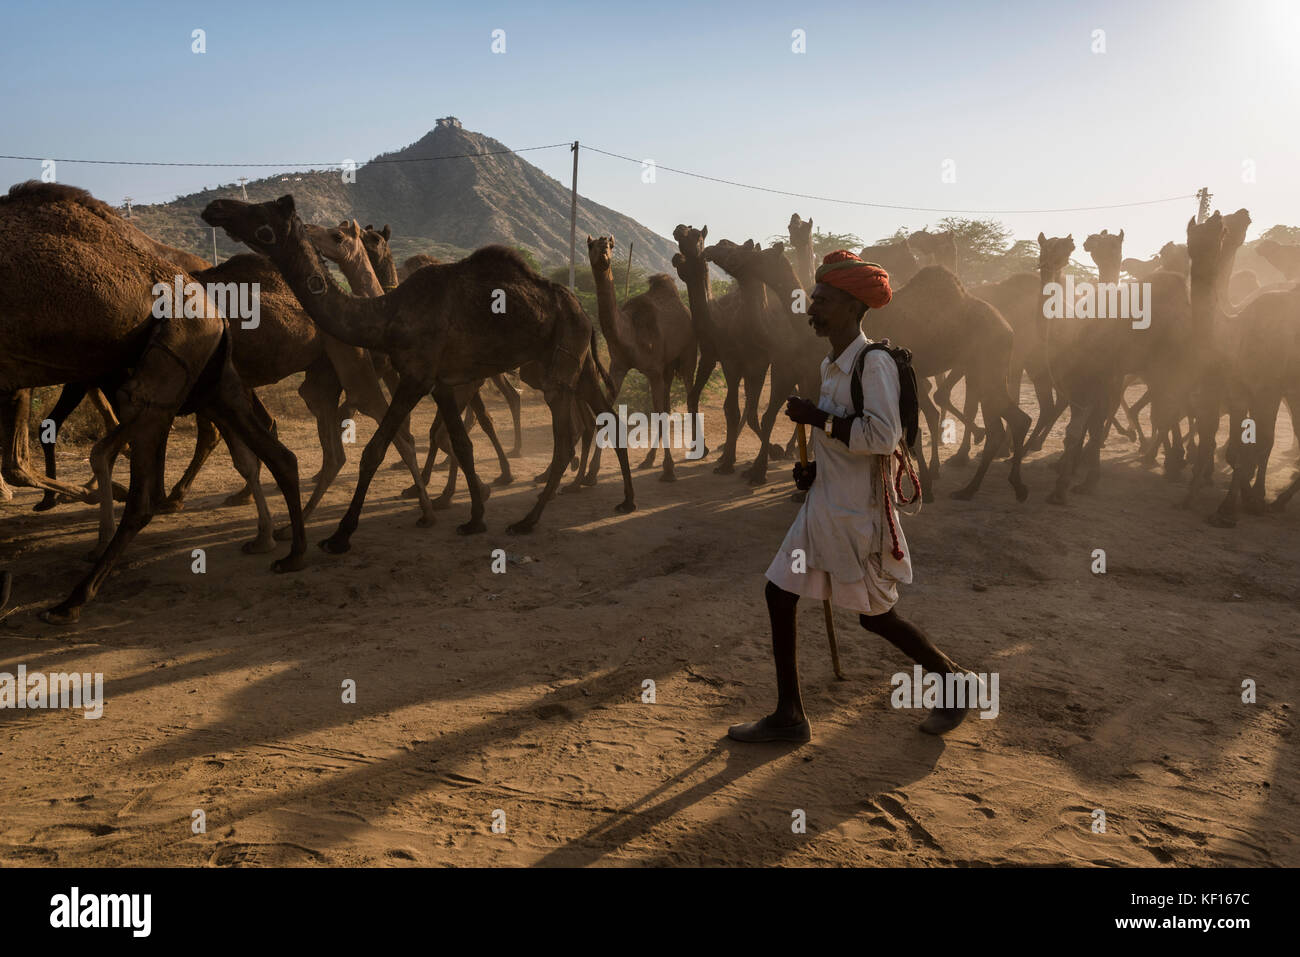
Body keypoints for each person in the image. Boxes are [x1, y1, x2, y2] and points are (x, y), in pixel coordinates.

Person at [728, 251, 972, 743]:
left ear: (851, 306)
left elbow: (883, 437)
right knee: (779, 592)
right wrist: (815, 468)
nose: (812, 306)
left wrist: (817, 419)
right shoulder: (832, 364)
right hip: (826, 504)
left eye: (822, 300)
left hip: (856, 514)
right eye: (813, 298)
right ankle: (789, 714)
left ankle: (953, 680)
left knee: (876, 618)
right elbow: (848, 440)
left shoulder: (873, 363)